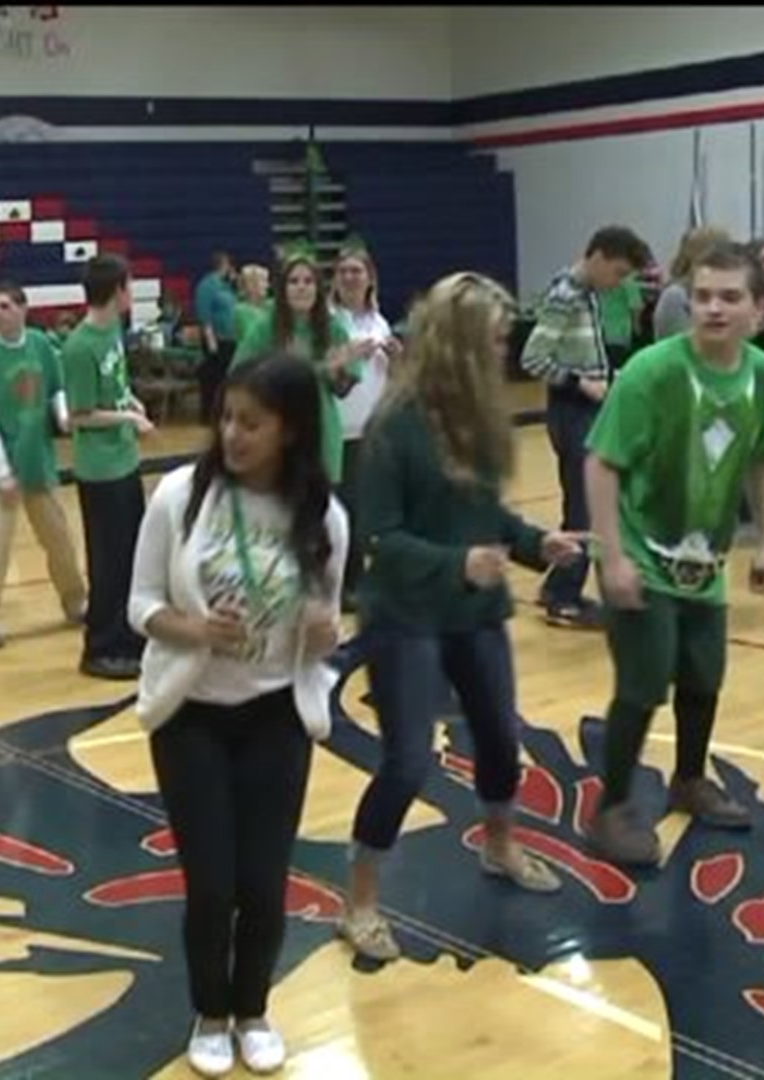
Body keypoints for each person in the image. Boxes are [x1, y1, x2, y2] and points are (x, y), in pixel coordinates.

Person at [339, 272, 587, 962]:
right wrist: (457, 564)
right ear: (458, 343)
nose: (506, 350)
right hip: (405, 614)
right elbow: (378, 538)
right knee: (408, 760)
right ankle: (359, 898)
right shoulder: (396, 425)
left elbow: (484, 516)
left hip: (473, 609)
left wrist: (537, 544)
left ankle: (499, 844)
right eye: (497, 338)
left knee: (502, 739)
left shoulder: (478, 417)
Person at [128, 356, 347, 1077]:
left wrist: (324, 634)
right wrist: (192, 631)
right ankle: (210, 1012)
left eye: (251, 423)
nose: (232, 434)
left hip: (275, 716)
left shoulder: (325, 519)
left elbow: (327, 620)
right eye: (225, 417)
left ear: (290, 430)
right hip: (191, 715)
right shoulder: (178, 497)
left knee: (263, 881)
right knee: (211, 883)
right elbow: (139, 605)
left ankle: (253, 1010)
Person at [583, 242, 764, 865]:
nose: (712, 308)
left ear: (759, 310)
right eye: (703, 295)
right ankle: (612, 808)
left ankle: (688, 780)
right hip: (640, 553)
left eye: (729, 297)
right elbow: (600, 463)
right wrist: (612, 555)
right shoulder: (652, 372)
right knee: (645, 682)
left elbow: (763, 459)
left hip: (704, 561)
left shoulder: (761, 377)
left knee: (704, 677)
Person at [517, 224, 653, 631]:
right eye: (617, 273)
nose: (618, 283)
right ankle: (564, 598)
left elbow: (576, 351)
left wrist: (610, 375)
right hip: (571, 410)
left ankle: (560, 583)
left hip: (585, 409)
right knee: (586, 505)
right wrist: (582, 383)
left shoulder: (586, 293)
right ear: (598, 257)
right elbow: (533, 358)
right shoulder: (565, 295)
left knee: (586, 500)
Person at [0, 282, 87, 649]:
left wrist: (63, 416)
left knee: (59, 539)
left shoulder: (41, 345)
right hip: (4, 472)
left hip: (39, 463)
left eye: (4, 306)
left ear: (22, 308)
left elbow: (56, 389)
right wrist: (1, 472)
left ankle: (76, 602)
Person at [63, 254, 156, 680]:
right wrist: (128, 419)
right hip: (99, 469)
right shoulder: (79, 346)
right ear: (117, 290)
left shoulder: (113, 331)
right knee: (108, 560)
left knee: (130, 556)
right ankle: (99, 647)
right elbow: (78, 415)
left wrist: (130, 400)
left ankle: (128, 636)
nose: (131, 293)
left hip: (124, 461)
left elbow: (114, 384)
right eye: (129, 285)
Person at [232, 248, 356, 486]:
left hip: (321, 431)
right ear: (283, 288)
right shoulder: (264, 328)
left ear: (319, 289)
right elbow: (237, 377)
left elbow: (342, 389)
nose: (302, 287)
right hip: (275, 432)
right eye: (294, 281)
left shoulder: (334, 328)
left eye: (309, 281)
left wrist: (338, 372)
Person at [329, 246, 398, 610]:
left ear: (370, 277)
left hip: (372, 428)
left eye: (357, 271)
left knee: (365, 509)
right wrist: (349, 356)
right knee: (342, 509)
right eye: (343, 272)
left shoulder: (378, 320)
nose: (350, 278)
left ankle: (360, 579)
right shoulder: (328, 319)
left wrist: (396, 355)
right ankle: (344, 583)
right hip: (339, 430)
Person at [194, 251, 240, 424]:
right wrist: (210, 340)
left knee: (226, 378)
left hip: (230, 339)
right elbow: (204, 314)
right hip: (216, 339)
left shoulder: (226, 285)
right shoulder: (207, 285)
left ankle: (222, 412)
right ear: (224, 265)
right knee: (213, 379)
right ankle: (207, 415)